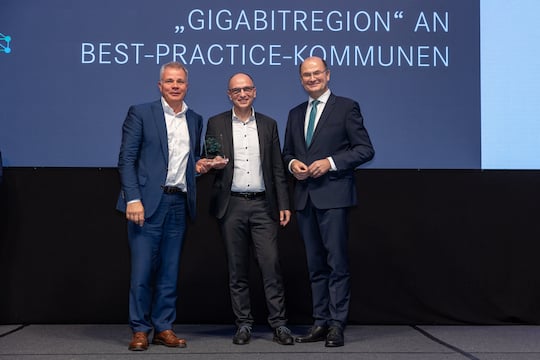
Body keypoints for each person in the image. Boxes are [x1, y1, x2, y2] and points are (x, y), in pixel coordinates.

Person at [282, 56, 375, 347]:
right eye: (306, 75)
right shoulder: (295, 113)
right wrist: (293, 164)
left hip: (334, 197)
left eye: (317, 73)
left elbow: (365, 150)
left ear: (328, 75)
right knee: (315, 266)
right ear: (301, 79)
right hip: (305, 199)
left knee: (336, 264)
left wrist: (331, 162)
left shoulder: (346, 107)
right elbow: (287, 153)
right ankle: (320, 322)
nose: (312, 79)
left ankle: (337, 324)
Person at [196, 73, 294, 346]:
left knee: (271, 265)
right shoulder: (216, 123)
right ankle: (243, 324)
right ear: (229, 95)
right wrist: (212, 162)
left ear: (254, 92)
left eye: (247, 89)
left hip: (264, 205)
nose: (242, 93)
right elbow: (211, 155)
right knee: (237, 269)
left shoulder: (268, 124)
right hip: (232, 206)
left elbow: (276, 168)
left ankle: (280, 325)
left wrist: (284, 204)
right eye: (236, 90)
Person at [117, 61, 209, 351]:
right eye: (169, 81)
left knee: (170, 272)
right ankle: (140, 329)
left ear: (187, 85)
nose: (174, 86)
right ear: (160, 86)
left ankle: (164, 327)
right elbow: (126, 160)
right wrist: (133, 198)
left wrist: (201, 166)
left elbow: (184, 164)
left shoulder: (195, 119)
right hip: (145, 204)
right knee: (142, 271)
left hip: (178, 203)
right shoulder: (141, 113)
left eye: (179, 81)